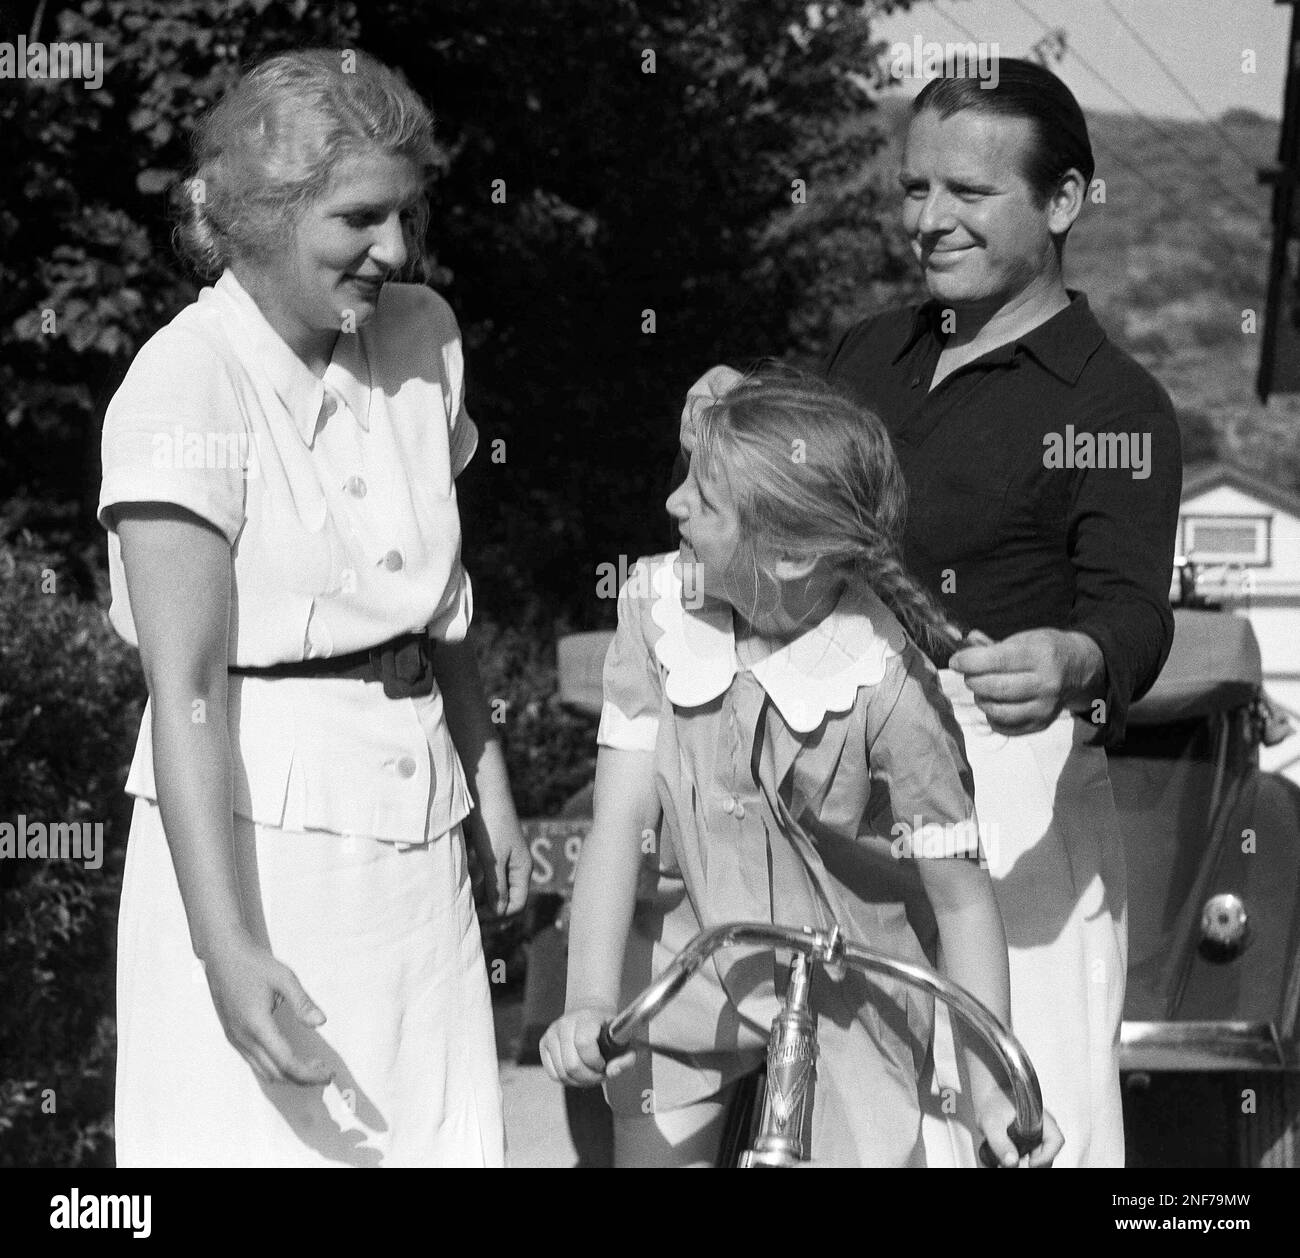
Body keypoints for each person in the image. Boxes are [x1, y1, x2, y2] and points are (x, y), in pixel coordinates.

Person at [97, 48, 529, 1167]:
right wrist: (224, 946)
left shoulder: (423, 332)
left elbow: (443, 605)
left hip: (417, 837)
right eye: (358, 219)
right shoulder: (183, 382)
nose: (394, 249)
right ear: (260, 217)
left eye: (407, 215)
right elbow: (183, 688)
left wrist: (488, 786)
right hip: (259, 850)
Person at [540, 369, 1063, 1167]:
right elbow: (619, 822)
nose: (673, 502)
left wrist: (992, 1089)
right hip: (686, 967)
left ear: (787, 558)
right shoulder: (655, 611)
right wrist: (588, 999)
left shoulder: (892, 688)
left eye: (704, 498)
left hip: (849, 990)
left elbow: (958, 902)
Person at [821, 60, 1182, 1166]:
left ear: (1062, 202)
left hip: (1015, 799)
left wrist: (1073, 658)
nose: (929, 220)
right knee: (862, 1119)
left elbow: (1132, 616)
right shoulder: (866, 352)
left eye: (968, 195)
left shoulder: (1113, 403)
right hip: (840, 780)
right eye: (914, 189)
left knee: (1021, 1123)